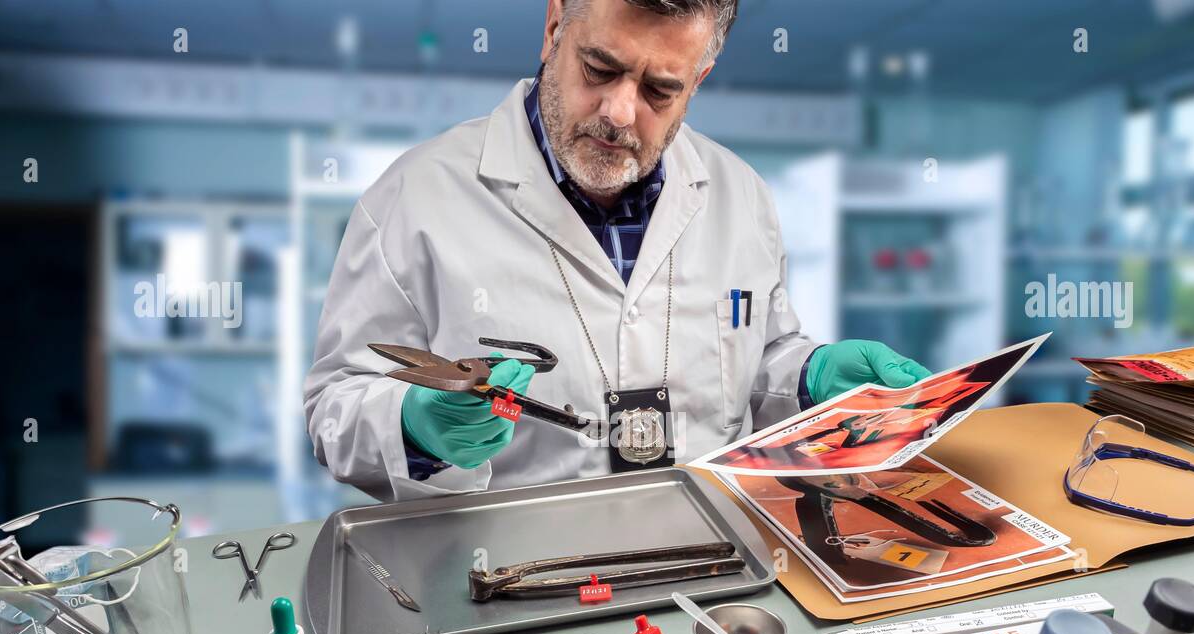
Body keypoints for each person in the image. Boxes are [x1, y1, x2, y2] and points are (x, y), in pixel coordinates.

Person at [304, 0, 929, 501]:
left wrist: (810, 378)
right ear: (553, 29)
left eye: (660, 90)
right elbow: (335, 404)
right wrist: (414, 427)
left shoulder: (741, 194)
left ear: (697, 82)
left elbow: (755, 363)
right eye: (599, 69)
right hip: (501, 576)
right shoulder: (413, 196)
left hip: (711, 557)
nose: (620, 112)